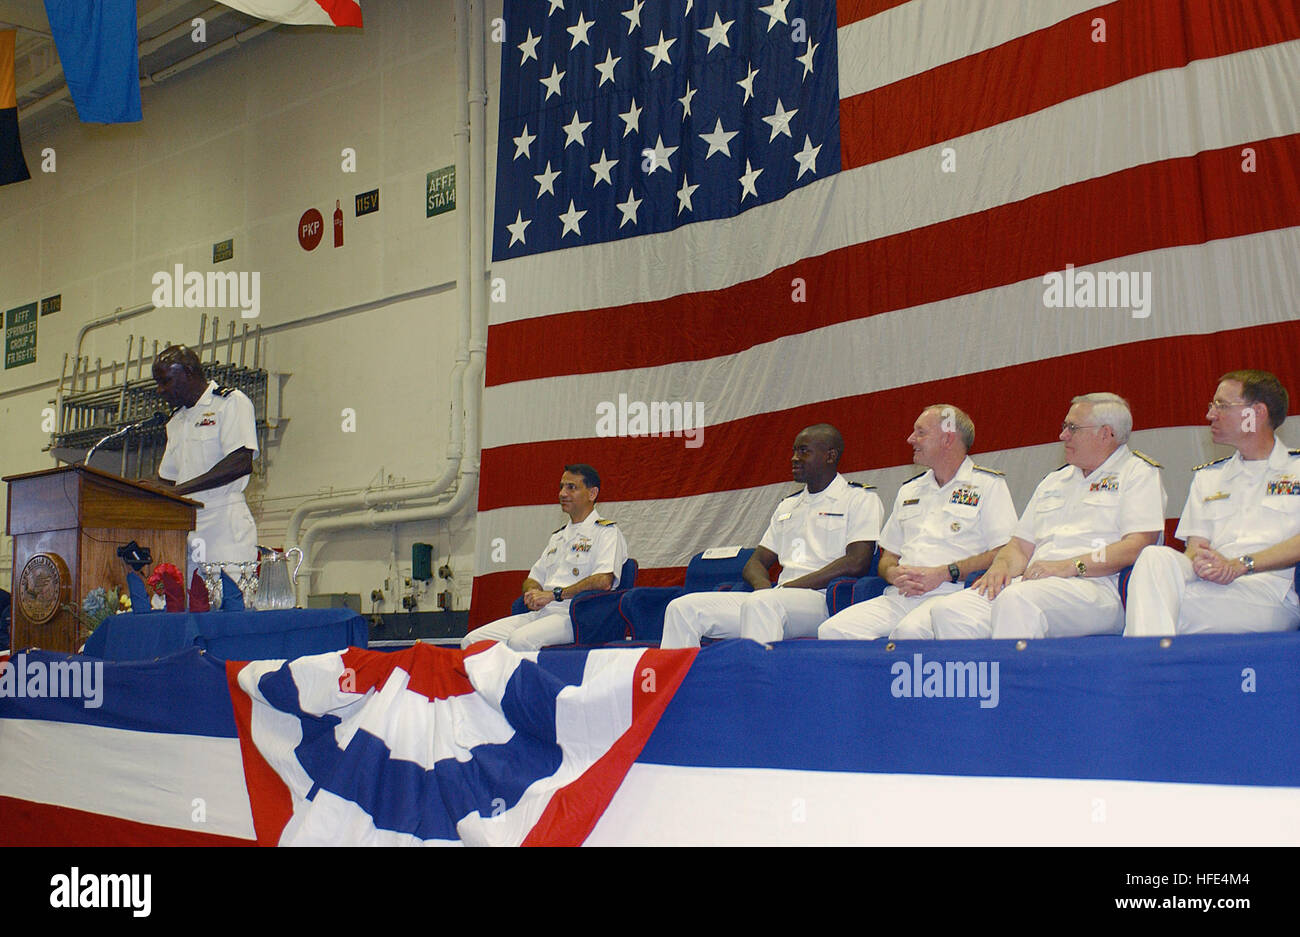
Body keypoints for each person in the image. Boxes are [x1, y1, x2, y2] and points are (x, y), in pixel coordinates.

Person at [925, 393, 1166, 639]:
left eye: (1072, 428)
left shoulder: (1137, 473)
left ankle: (1016, 678)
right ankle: (983, 678)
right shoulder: (1054, 481)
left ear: (1105, 433)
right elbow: (1020, 545)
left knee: (1017, 601)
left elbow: (1136, 546)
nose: (1063, 435)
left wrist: (1070, 566)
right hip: (1036, 582)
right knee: (949, 611)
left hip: (1097, 586)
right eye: (1065, 427)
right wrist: (1000, 566)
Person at [660, 424, 882, 648]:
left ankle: (756, 683)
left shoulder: (859, 499)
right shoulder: (789, 505)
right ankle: (679, 682)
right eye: (794, 451)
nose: (794, 458)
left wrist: (790, 587)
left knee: (761, 605)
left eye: (804, 451)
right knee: (682, 608)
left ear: (830, 456)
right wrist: (763, 586)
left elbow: (857, 562)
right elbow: (755, 562)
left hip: (822, 599)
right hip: (774, 598)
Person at [1125, 370, 1300, 636]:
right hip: (1213, 583)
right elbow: (1195, 547)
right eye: (1212, 405)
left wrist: (1240, 564)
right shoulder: (1210, 477)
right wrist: (1203, 562)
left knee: (1156, 608)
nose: (1210, 415)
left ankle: (1147, 670)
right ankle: (1151, 667)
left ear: (1257, 413)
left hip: (1268, 592)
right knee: (1153, 556)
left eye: (1222, 406)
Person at [819, 405, 1017, 640]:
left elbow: (1004, 552)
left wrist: (945, 573)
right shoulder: (910, 490)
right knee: (832, 631)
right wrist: (892, 573)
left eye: (920, 432)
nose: (910, 439)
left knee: (908, 634)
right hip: (900, 596)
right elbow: (888, 556)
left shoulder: (988, 485)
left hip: (951, 594)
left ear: (947, 439)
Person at [461, 464, 628, 650]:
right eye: (561, 487)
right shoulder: (558, 537)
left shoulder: (606, 533)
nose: (562, 493)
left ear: (592, 493)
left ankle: (525, 680)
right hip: (542, 613)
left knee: (519, 640)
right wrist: (533, 593)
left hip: (574, 616)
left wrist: (553, 595)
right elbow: (533, 578)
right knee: (472, 641)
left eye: (571, 487)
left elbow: (603, 580)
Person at [151, 345, 258, 579]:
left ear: (188, 372)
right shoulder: (177, 420)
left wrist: (180, 491)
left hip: (224, 524)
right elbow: (167, 479)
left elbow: (240, 461)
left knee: (230, 605)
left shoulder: (230, 402)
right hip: (186, 527)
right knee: (186, 606)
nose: (160, 390)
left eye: (166, 381)